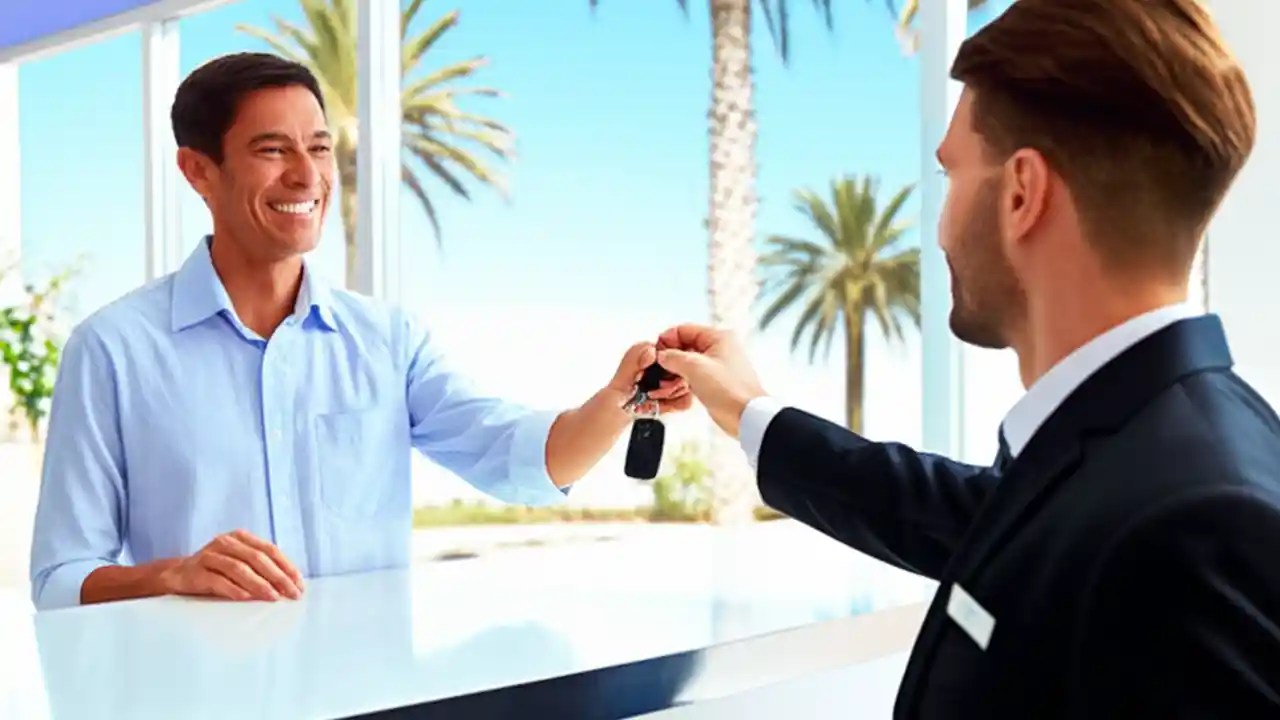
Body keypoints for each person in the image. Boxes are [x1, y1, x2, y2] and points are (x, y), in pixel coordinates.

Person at [655, 1, 1280, 717]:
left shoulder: (1195, 531)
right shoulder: (1144, 451)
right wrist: (746, 410)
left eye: (950, 175)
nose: (941, 227)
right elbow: (959, 513)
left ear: (1022, 193)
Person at [28, 52, 690, 612]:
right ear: (198, 171)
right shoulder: (112, 350)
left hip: (376, 698)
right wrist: (169, 576)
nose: (307, 176)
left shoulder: (387, 339)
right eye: (271, 150)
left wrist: (620, 401)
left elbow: (514, 461)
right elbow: (60, 577)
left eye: (318, 148)